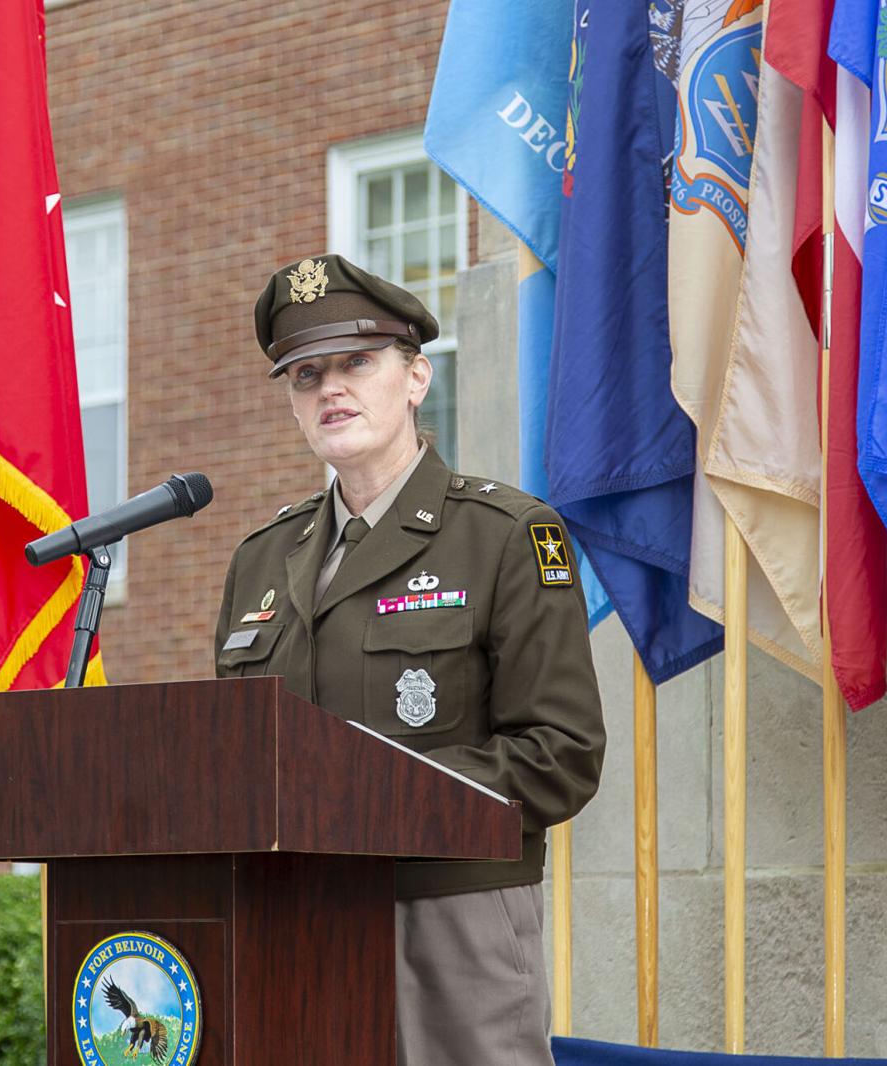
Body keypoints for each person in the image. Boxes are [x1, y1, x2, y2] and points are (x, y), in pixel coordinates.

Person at [214, 252, 606, 1066]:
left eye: (357, 362)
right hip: (292, 927)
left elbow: (559, 756)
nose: (330, 389)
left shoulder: (504, 535)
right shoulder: (260, 558)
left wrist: (371, 797)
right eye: (305, 375)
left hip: (450, 917)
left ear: (417, 377)